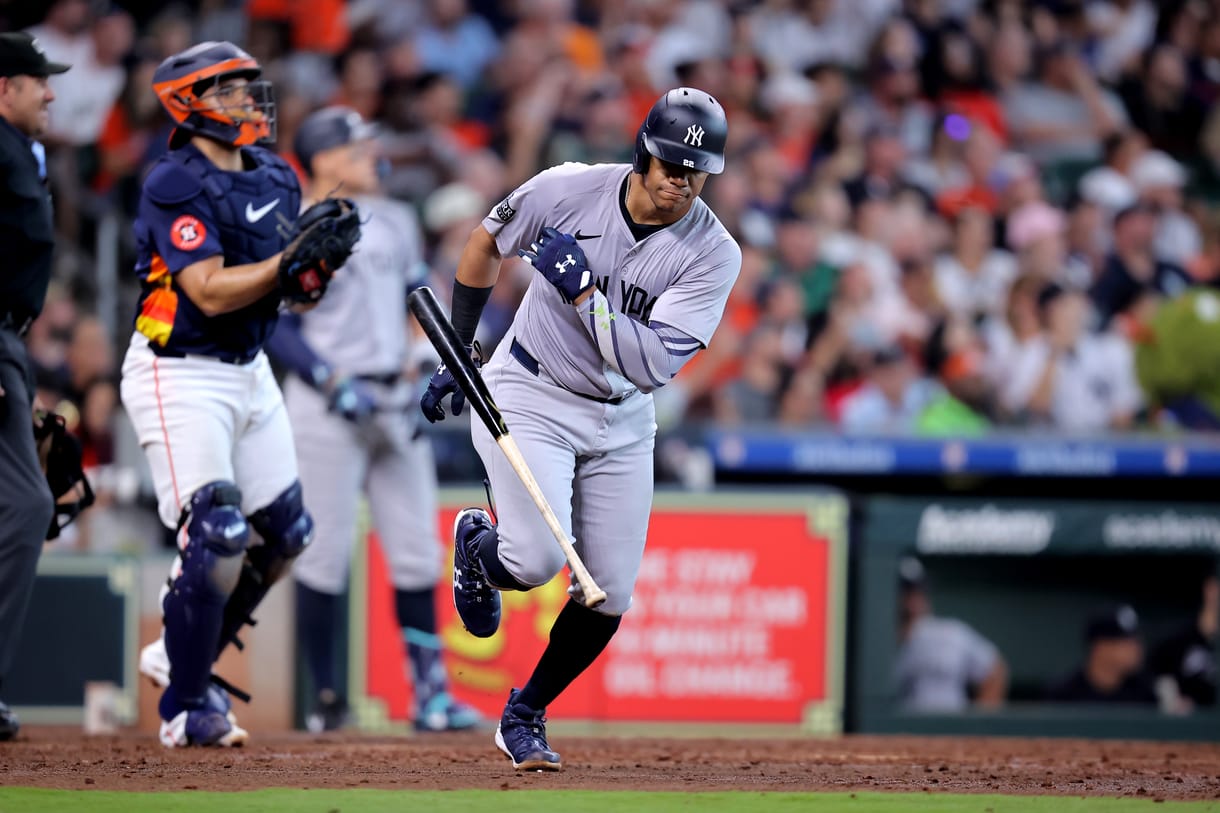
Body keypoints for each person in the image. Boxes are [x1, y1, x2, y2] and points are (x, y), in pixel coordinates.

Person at [420, 86, 741, 771]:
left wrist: (586, 296)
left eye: (696, 172)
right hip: (532, 389)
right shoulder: (568, 190)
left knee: (610, 592)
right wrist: (460, 346)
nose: (682, 184)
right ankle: (480, 549)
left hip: (623, 415)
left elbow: (650, 363)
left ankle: (525, 712)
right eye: (671, 168)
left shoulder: (714, 252)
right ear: (643, 155)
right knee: (532, 562)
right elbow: (485, 242)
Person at [119, 41, 354, 748]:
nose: (253, 100)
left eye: (253, 87)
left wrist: (313, 275)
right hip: (178, 368)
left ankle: (180, 655)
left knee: (289, 534)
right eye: (234, 89)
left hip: (249, 368)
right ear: (191, 101)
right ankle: (187, 707)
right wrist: (288, 263)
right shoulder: (173, 180)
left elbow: (283, 296)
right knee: (217, 531)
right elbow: (208, 288)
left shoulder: (275, 175)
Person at [264, 105, 479, 733]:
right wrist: (328, 379)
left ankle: (430, 696)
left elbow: (419, 298)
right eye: (355, 147)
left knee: (416, 552)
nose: (370, 156)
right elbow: (274, 322)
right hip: (327, 401)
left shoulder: (398, 218)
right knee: (322, 553)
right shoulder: (292, 220)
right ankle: (327, 700)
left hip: (392, 395)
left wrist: (426, 359)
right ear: (325, 157)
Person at [0, 31, 70, 742]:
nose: (49, 91)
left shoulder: (19, 149)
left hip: (10, 340)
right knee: (24, 506)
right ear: (3, 87)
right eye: (36, 80)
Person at [893, 557, 1007, 713]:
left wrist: (979, 724)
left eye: (917, 590)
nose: (912, 598)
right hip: (902, 733)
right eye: (905, 591)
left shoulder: (949, 633)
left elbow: (995, 672)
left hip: (950, 729)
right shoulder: (877, 641)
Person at [1045, 604, 1158, 704]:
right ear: (1099, 648)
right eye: (1124, 643)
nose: (1136, 649)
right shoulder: (1064, 695)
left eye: (1136, 641)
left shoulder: (1146, 692)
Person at [1149, 572, 1218, 712]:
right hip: (1187, 729)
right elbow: (1152, 677)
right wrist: (1169, 698)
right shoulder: (1177, 641)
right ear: (1210, 588)